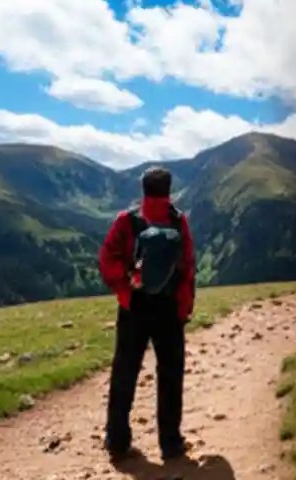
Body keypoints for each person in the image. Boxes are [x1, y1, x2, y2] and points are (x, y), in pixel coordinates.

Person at [98, 165, 197, 462]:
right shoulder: (179, 222)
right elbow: (188, 266)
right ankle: (171, 443)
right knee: (170, 375)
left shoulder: (126, 221)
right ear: (168, 190)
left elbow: (106, 260)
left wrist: (126, 283)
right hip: (168, 309)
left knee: (125, 372)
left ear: (143, 189)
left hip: (135, 307)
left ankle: (117, 440)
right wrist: (184, 306)